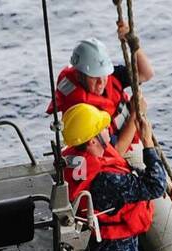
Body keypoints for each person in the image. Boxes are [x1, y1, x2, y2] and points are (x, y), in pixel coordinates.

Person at [60, 103, 172, 251]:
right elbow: (154, 187)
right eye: (102, 128)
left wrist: (164, 182)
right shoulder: (106, 180)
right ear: (91, 141)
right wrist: (148, 142)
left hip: (98, 240)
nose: (107, 130)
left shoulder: (76, 158)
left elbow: (125, 171)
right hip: (116, 249)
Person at [47, 23, 153, 156]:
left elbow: (146, 73)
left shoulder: (109, 76)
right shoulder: (83, 111)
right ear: (79, 75)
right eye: (94, 76)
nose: (101, 82)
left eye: (104, 74)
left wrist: (132, 43)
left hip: (126, 137)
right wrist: (136, 114)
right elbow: (117, 150)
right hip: (108, 154)